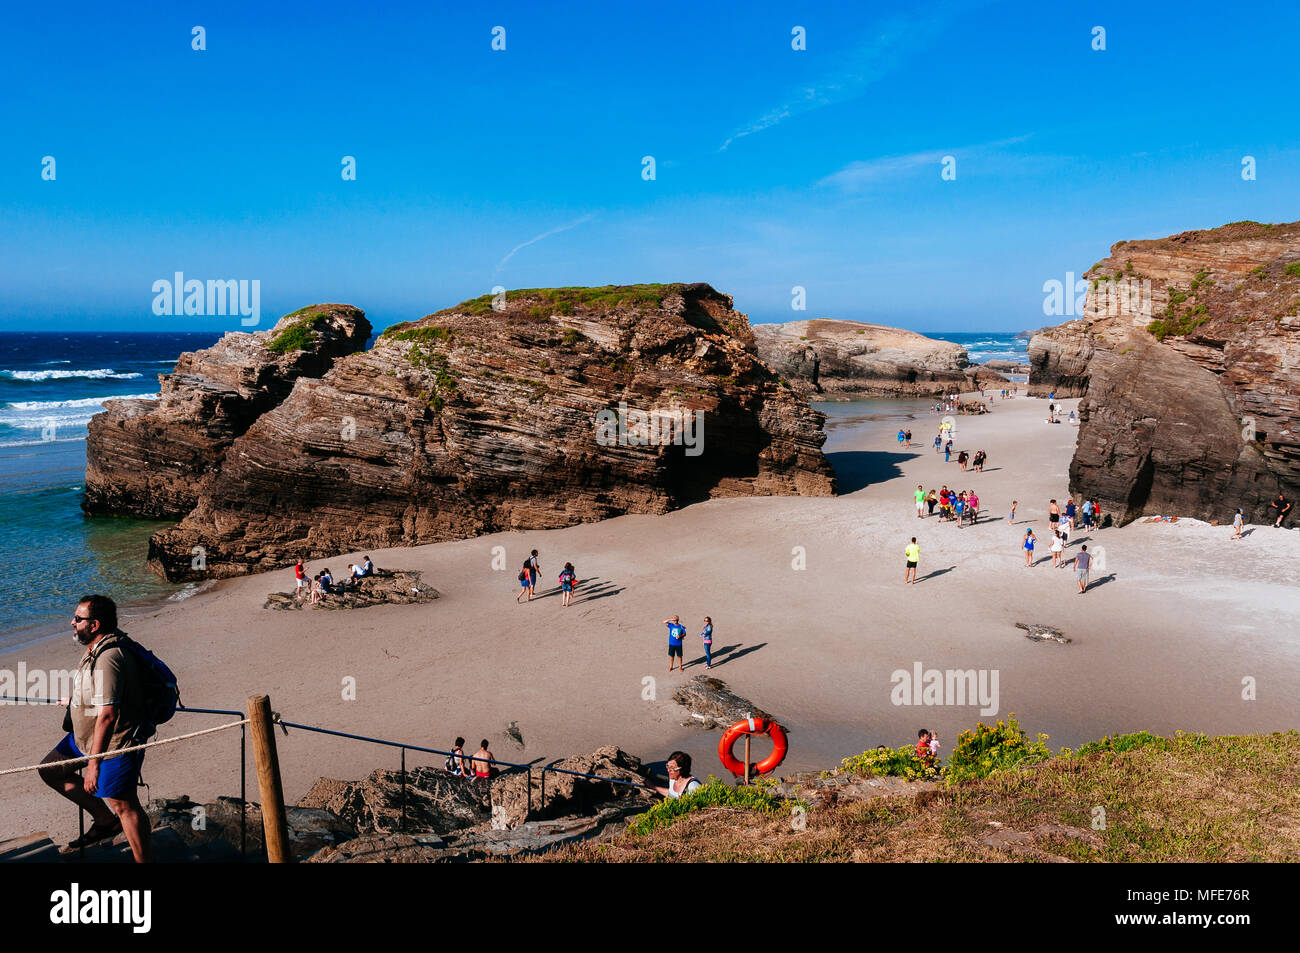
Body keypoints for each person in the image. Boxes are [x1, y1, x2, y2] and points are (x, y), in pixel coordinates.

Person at [39, 595, 152, 862]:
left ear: (95, 624)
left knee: (124, 806)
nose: (72, 622)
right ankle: (104, 821)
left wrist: (93, 764)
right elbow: (100, 694)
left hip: (114, 744)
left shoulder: (110, 656)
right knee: (51, 769)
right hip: (85, 738)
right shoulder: (95, 647)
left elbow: (108, 715)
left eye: (78, 619)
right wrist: (75, 701)